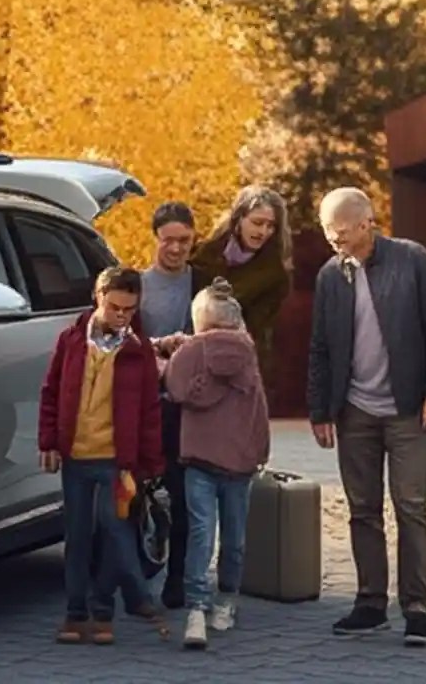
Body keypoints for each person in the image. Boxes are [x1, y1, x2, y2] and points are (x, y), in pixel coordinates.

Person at [307, 187, 426, 647]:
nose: (335, 241)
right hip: (355, 413)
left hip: (409, 409)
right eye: (329, 233)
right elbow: (320, 348)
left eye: (342, 232)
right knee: (362, 510)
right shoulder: (330, 276)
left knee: (411, 508)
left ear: (367, 223)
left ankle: (416, 607)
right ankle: (371, 603)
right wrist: (320, 409)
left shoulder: (412, 260)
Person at [39, 266, 164, 645]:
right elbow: (51, 390)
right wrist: (48, 441)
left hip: (115, 459)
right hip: (75, 455)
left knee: (114, 529)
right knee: (77, 536)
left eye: (129, 310)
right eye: (114, 307)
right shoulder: (71, 340)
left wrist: (148, 464)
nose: (121, 316)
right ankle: (76, 613)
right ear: (98, 297)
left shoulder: (138, 351)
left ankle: (115, 606)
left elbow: (149, 411)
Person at [162, 277, 270, 650]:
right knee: (234, 538)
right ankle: (227, 601)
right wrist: (260, 452)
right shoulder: (248, 353)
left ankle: (196, 609)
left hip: (199, 460)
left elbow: (175, 390)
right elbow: (260, 409)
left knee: (199, 534)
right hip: (239, 463)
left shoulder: (189, 352)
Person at [141, 200, 213, 611]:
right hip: (148, 407)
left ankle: (178, 579)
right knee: (140, 493)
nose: (176, 248)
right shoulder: (136, 284)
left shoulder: (203, 283)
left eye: (184, 240)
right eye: (169, 240)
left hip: (190, 408)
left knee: (187, 497)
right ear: (156, 238)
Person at [188, 185, 293, 391]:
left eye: (270, 226)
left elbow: (256, 329)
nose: (263, 231)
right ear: (238, 219)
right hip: (191, 358)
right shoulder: (203, 254)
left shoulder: (273, 275)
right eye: (257, 223)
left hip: (237, 365)